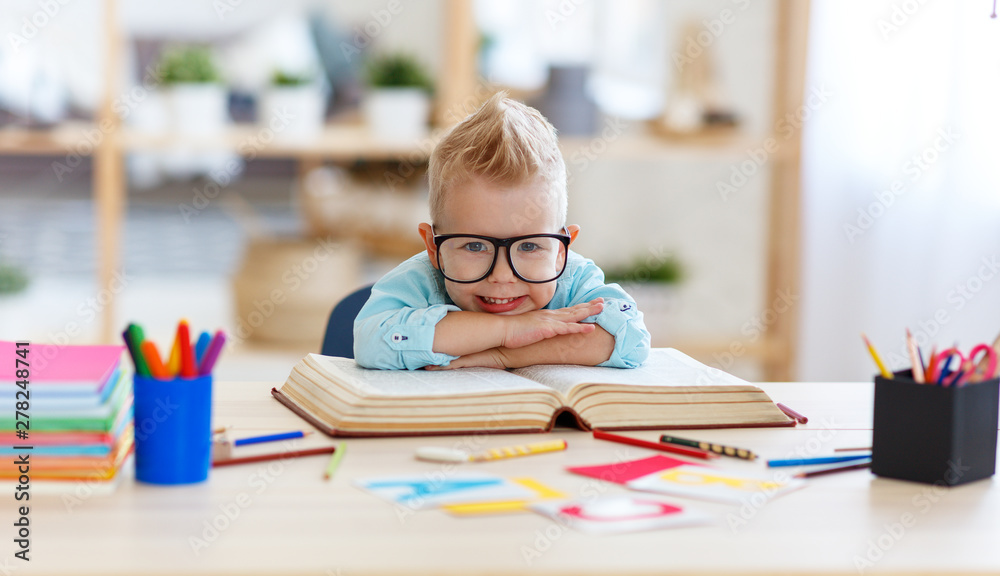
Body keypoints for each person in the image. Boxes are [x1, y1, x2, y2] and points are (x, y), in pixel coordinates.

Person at [353, 92, 650, 370]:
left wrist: (503, 354)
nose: (502, 276)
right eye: (475, 247)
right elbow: (370, 341)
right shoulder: (420, 282)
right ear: (434, 248)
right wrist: (509, 330)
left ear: (561, 251)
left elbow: (630, 337)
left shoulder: (574, 281)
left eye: (530, 247)